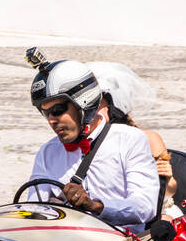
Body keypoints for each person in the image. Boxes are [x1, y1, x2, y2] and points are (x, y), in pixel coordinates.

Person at [24, 53, 159, 229]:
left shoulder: (130, 140)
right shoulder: (48, 152)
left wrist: (95, 205)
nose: (51, 120)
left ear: (84, 103)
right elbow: (34, 208)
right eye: (46, 113)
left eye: (57, 110)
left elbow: (145, 206)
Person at [88, 62, 179, 218]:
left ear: (113, 105)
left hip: (149, 215)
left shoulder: (147, 139)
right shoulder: (84, 140)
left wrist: (167, 178)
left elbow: (168, 191)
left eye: (97, 105)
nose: (90, 112)